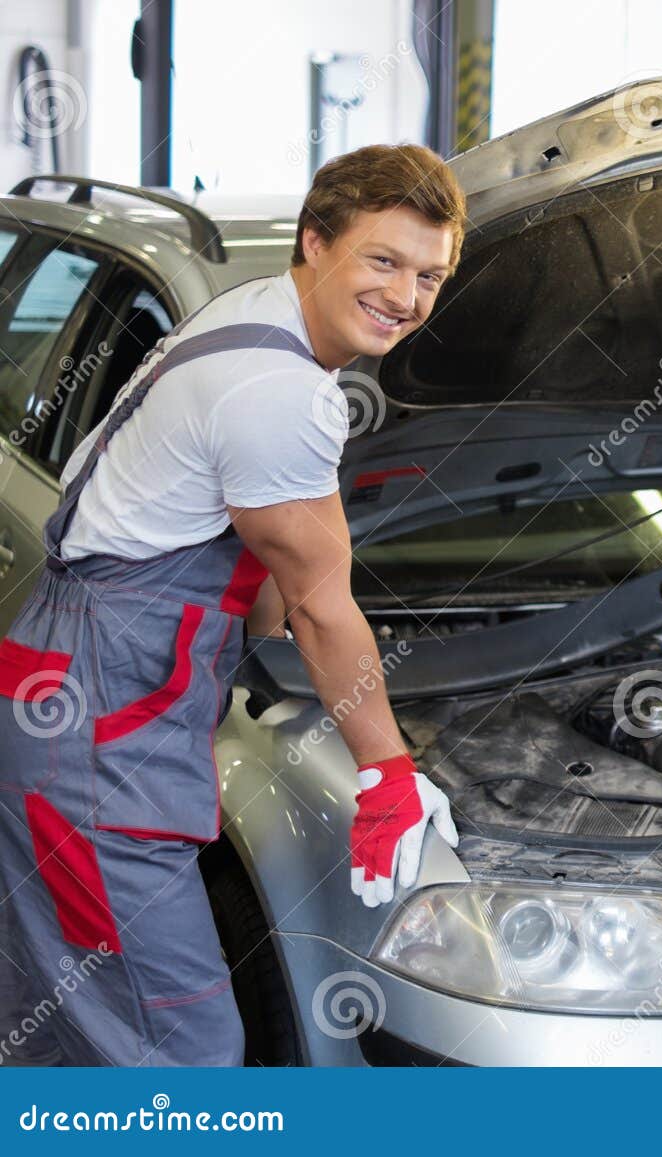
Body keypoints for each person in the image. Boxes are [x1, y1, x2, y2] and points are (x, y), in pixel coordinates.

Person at [0, 144, 463, 1066]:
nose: (406, 298)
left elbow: (302, 549)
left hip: (76, 689)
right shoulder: (277, 391)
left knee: (64, 1029)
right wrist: (387, 770)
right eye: (383, 261)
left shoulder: (261, 316)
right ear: (315, 241)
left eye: (430, 275)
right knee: (182, 1048)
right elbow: (320, 603)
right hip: (100, 727)